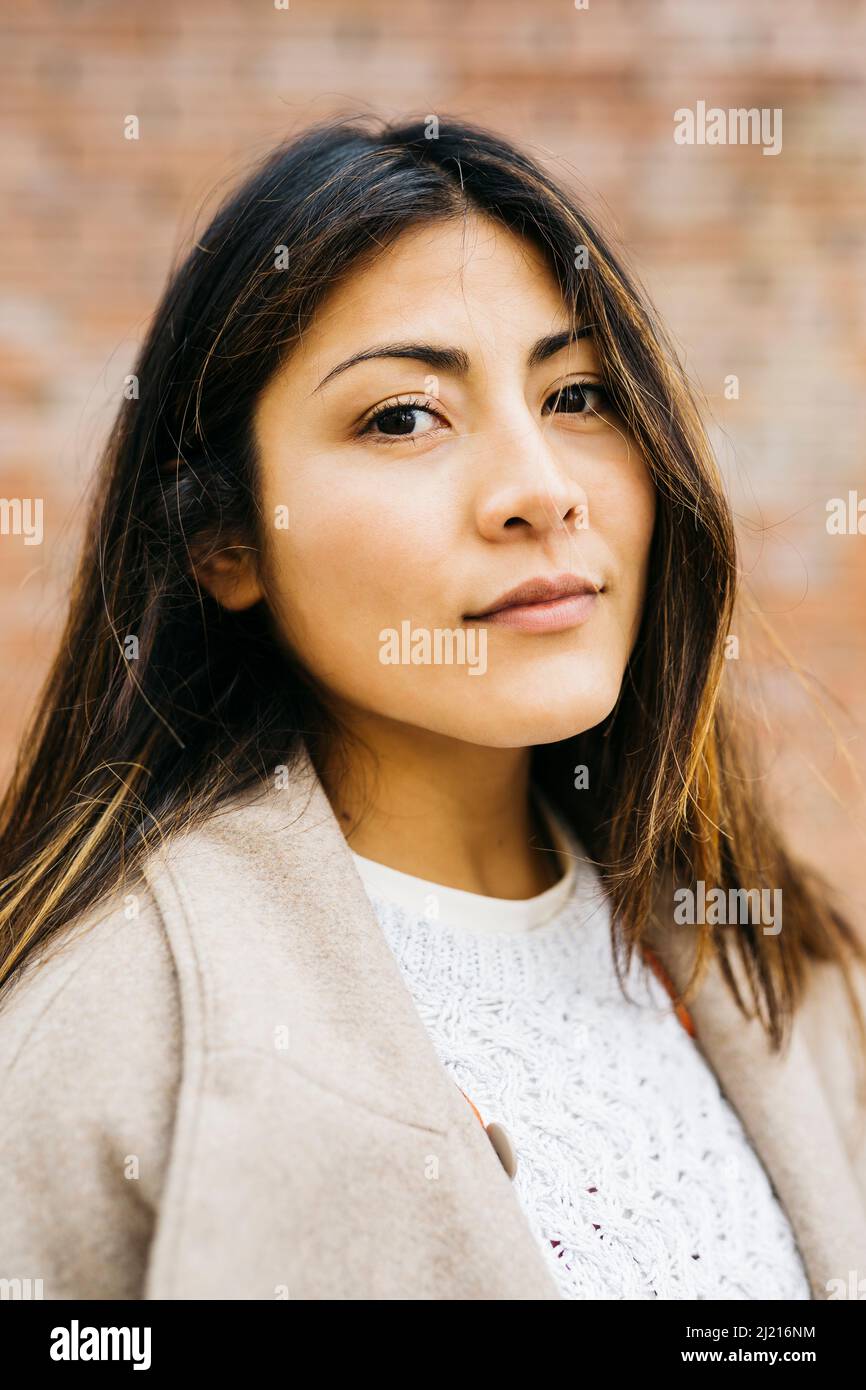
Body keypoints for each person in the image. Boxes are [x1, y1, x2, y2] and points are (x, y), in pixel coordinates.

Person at [1, 114, 865, 1301]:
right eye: (403, 416)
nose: (538, 490)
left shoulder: (771, 958)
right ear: (225, 537)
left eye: (576, 397)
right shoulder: (106, 1040)